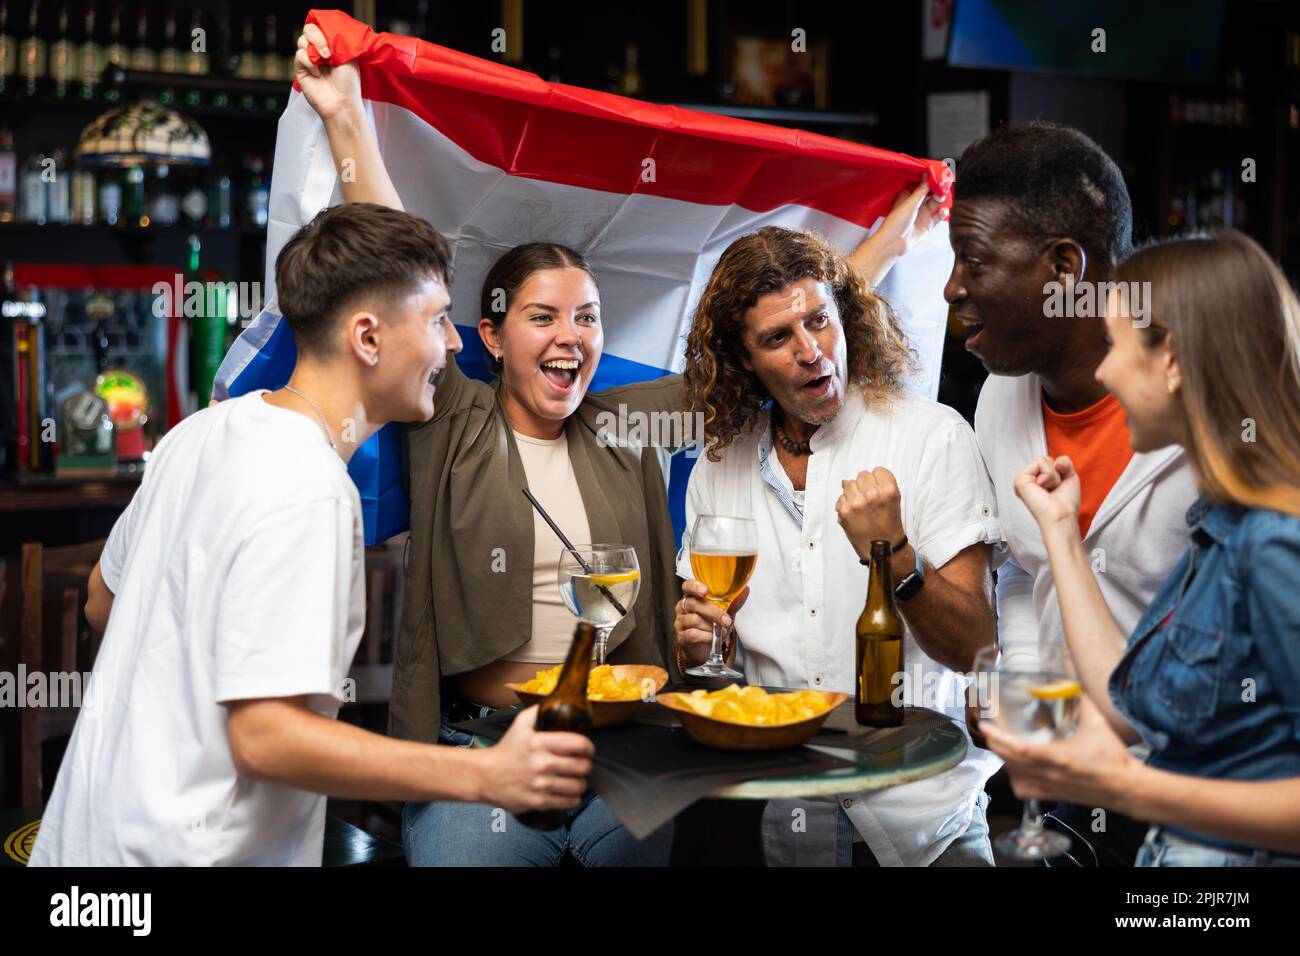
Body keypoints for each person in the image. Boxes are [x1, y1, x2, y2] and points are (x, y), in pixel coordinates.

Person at [28, 201, 594, 866]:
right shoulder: (311, 486)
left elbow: (103, 601)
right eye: (437, 318)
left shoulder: (199, 432)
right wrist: (487, 775)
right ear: (367, 338)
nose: (453, 342)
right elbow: (266, 739)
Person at [293, 22, 680, 866]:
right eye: (542, 316)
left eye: (587, 316)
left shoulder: (625, 425)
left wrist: (870, 255)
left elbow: (750, 356)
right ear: (491, 337)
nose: (570, 335)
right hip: (478, 753)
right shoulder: (454, 417)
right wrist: (346, 118)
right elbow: (389, 271)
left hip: (620, 759)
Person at [674, 225, 1003, 866]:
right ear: (743, 358)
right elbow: (705, 666)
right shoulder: (718, 467)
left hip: (924, 825)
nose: (811, 351)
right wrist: (698, 643)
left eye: (820, 322)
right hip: (783, 822)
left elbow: (974, 649)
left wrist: (896, 554)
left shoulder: (932, 437)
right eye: (778, 337)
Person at [982, 229, 1300, 866]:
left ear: (1174, 360)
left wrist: (1125, 786)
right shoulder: (1221, 523)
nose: (1101, 370)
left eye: (1115, 345)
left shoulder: (1273, 541)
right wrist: (1060, 533)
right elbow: (1125, 703)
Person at [944, 121, 1197, 864]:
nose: (953, 287)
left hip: (1197, 794)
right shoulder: (999, 398)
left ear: (1062, 269)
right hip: (1068, 781)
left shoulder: (1203, 413)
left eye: (975, 261)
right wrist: (1029, 690)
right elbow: (1025, 569)